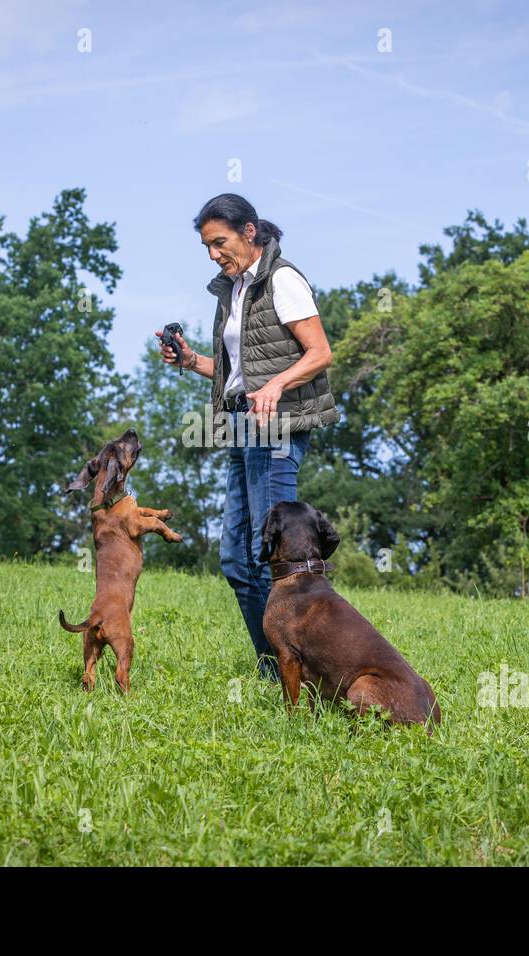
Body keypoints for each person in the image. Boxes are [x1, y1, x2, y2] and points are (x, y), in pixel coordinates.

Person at [156, 193, 339, 679]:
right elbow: (238, 373)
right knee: (237, 559)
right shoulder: (234, 290)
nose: (214, 254)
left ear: (250, 232)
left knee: (276, 558)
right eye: (207, 247)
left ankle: (309, 668)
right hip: (241, 429)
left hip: (277, 432)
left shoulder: (283, 280)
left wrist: (276, 385)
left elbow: (319, 353)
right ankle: (276, 669)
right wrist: (192, 360)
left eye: (219, 242)